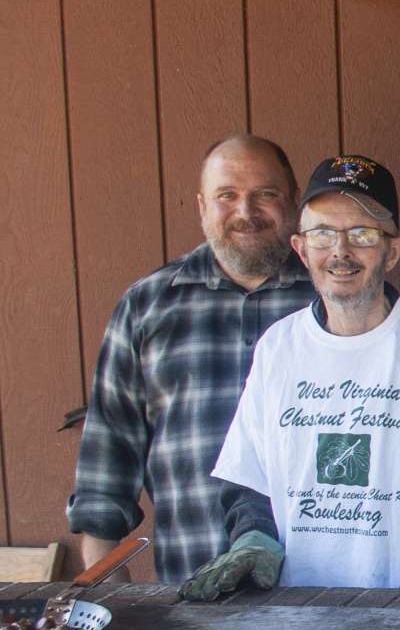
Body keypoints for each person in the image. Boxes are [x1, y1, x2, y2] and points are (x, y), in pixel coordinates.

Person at [177, 156, 400, 600]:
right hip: (295, 612)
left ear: (393, 250)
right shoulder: (277, 347)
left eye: (362, 235)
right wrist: (254, 540)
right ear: (301, 248)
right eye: (323, 234)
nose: (340, 251)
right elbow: (248, 481)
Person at [68, 136, 318, 582]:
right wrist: (114, 603)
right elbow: (104, 475)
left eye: (265, 193)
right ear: (202, 205)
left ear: (294, 201)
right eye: (228, 195)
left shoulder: (333, 301)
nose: (246, 211)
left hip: (326, 593)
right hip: (191, 593)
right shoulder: (148, 305)